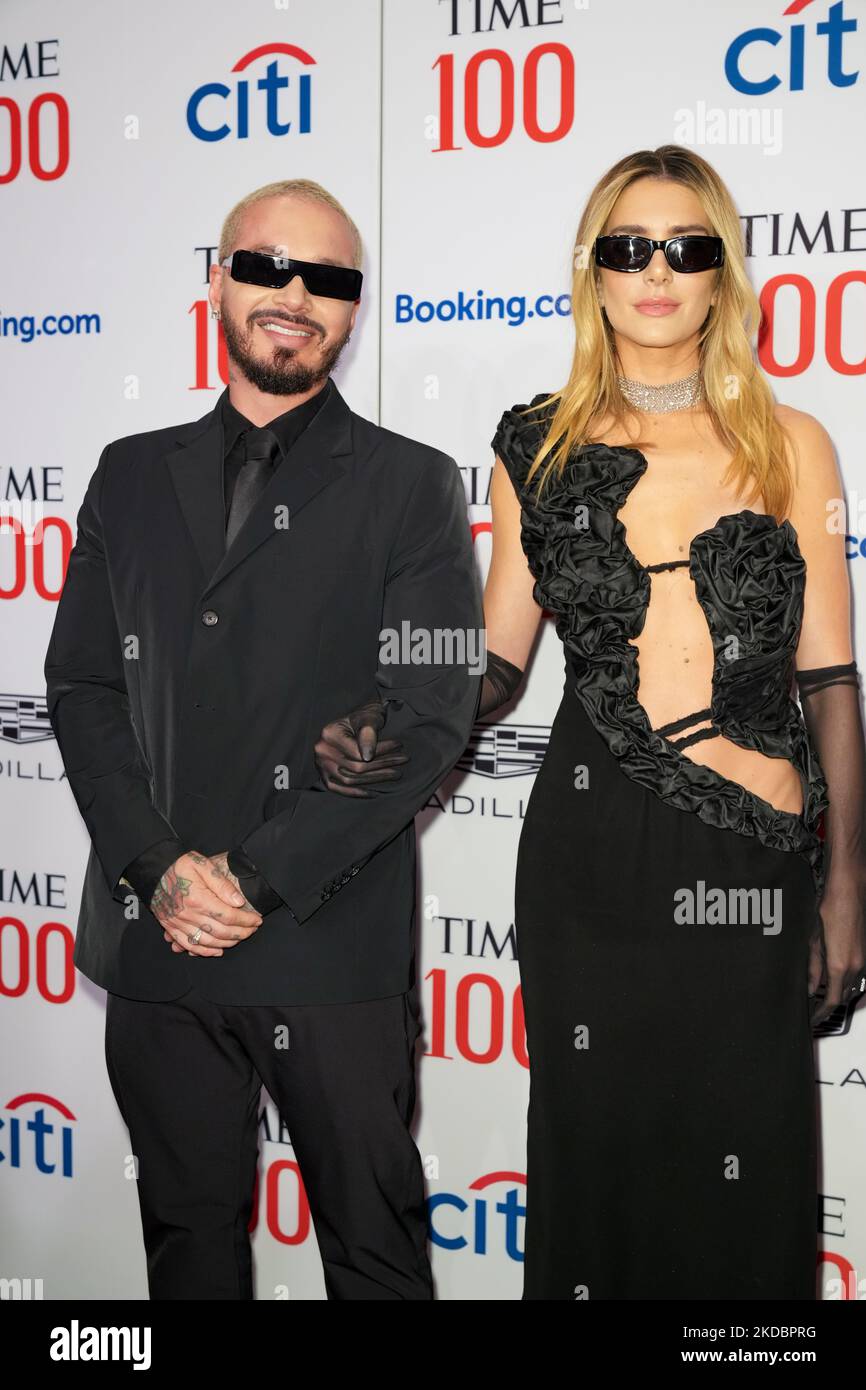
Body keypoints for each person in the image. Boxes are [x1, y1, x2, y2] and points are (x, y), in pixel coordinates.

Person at [316, 146, 866, 1300]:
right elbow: (498, 662)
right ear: (592, 271)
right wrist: (397, 709)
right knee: (599, 1162)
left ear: (721, 273)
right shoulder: (539, 445)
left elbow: (828, 683)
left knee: (744, 1179)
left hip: (750, 859)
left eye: (683, 248)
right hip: (590, 858)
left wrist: (845, 882)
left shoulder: (792, 445)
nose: (653, 272)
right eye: (626, 247)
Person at [44, 178, 483, 1300]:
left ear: (353, 309)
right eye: (267, 266)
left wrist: (245, 874)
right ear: (218, 278)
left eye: (328, 279)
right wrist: (160, 868)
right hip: (157, 942)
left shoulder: (414, 484)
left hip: (326, 946)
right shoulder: (129, 471)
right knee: (185, 1249)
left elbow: (426, 715)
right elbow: (83, 685)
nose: (294, 296)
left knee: (373, 1257)